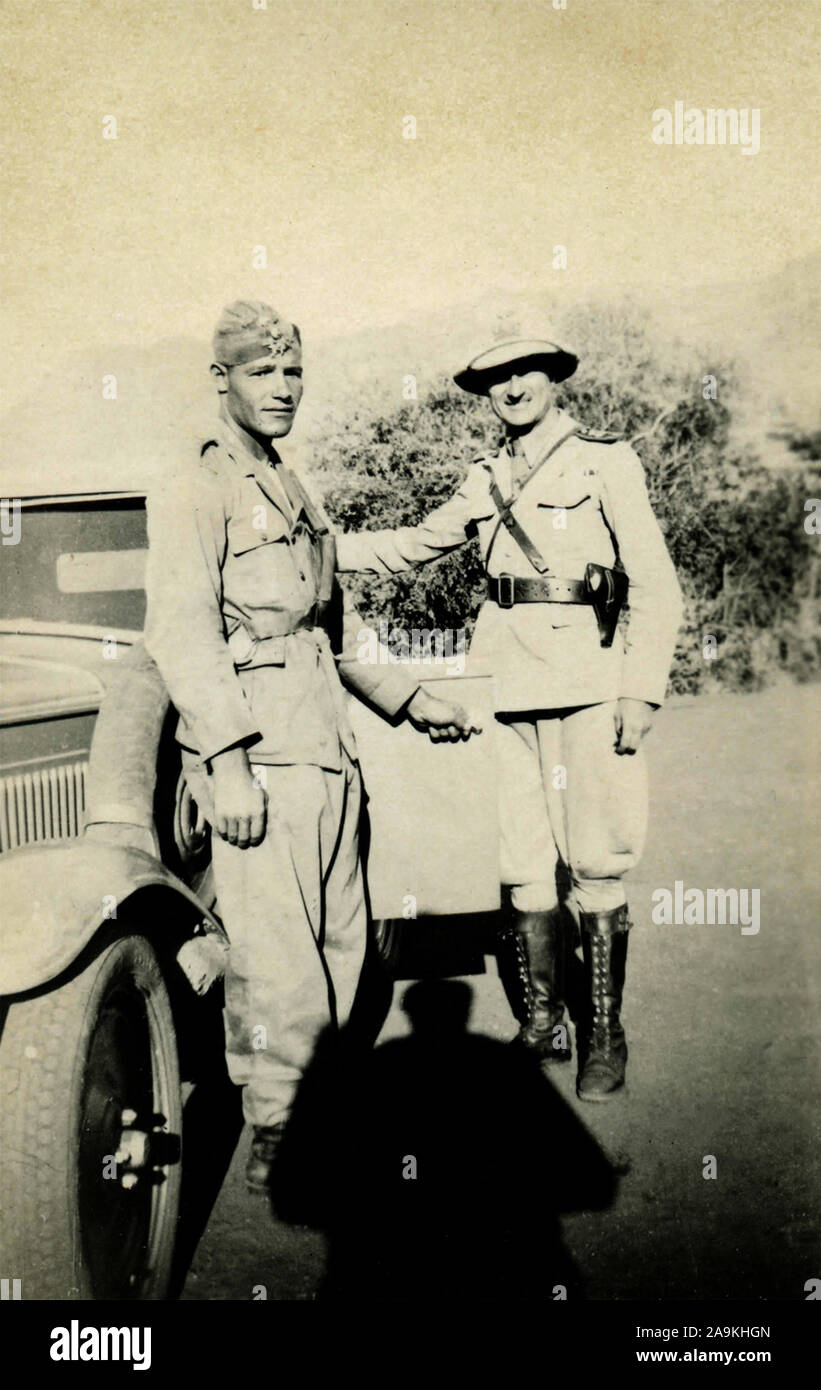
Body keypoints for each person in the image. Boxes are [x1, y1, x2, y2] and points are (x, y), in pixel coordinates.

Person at [143, 300, 476, 1190]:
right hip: (261, 754)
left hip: (327, 746)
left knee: (339, 943)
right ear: (222, 381)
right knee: (273, 955)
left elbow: (333, 627)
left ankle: (324, 1106)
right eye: (263, 372)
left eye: (293, 371)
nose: (284, 387)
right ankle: (279, 1130)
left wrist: (411, 699)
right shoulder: (196, 483)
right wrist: (228, 763)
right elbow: (180, 635)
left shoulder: (292, 486)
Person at [335, 334, 684, 1100]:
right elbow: (412, 547)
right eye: (495, 377)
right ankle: (540, 1021)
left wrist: (639, 691)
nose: (511, 386)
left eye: (525, 370)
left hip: (590, 683)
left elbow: (655, 586)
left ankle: (602, 1035)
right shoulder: (484, 477)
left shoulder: (604, 461)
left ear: (553, 378)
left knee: (594, 859)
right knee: (521, 865)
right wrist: (313, 547)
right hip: (504, 686)